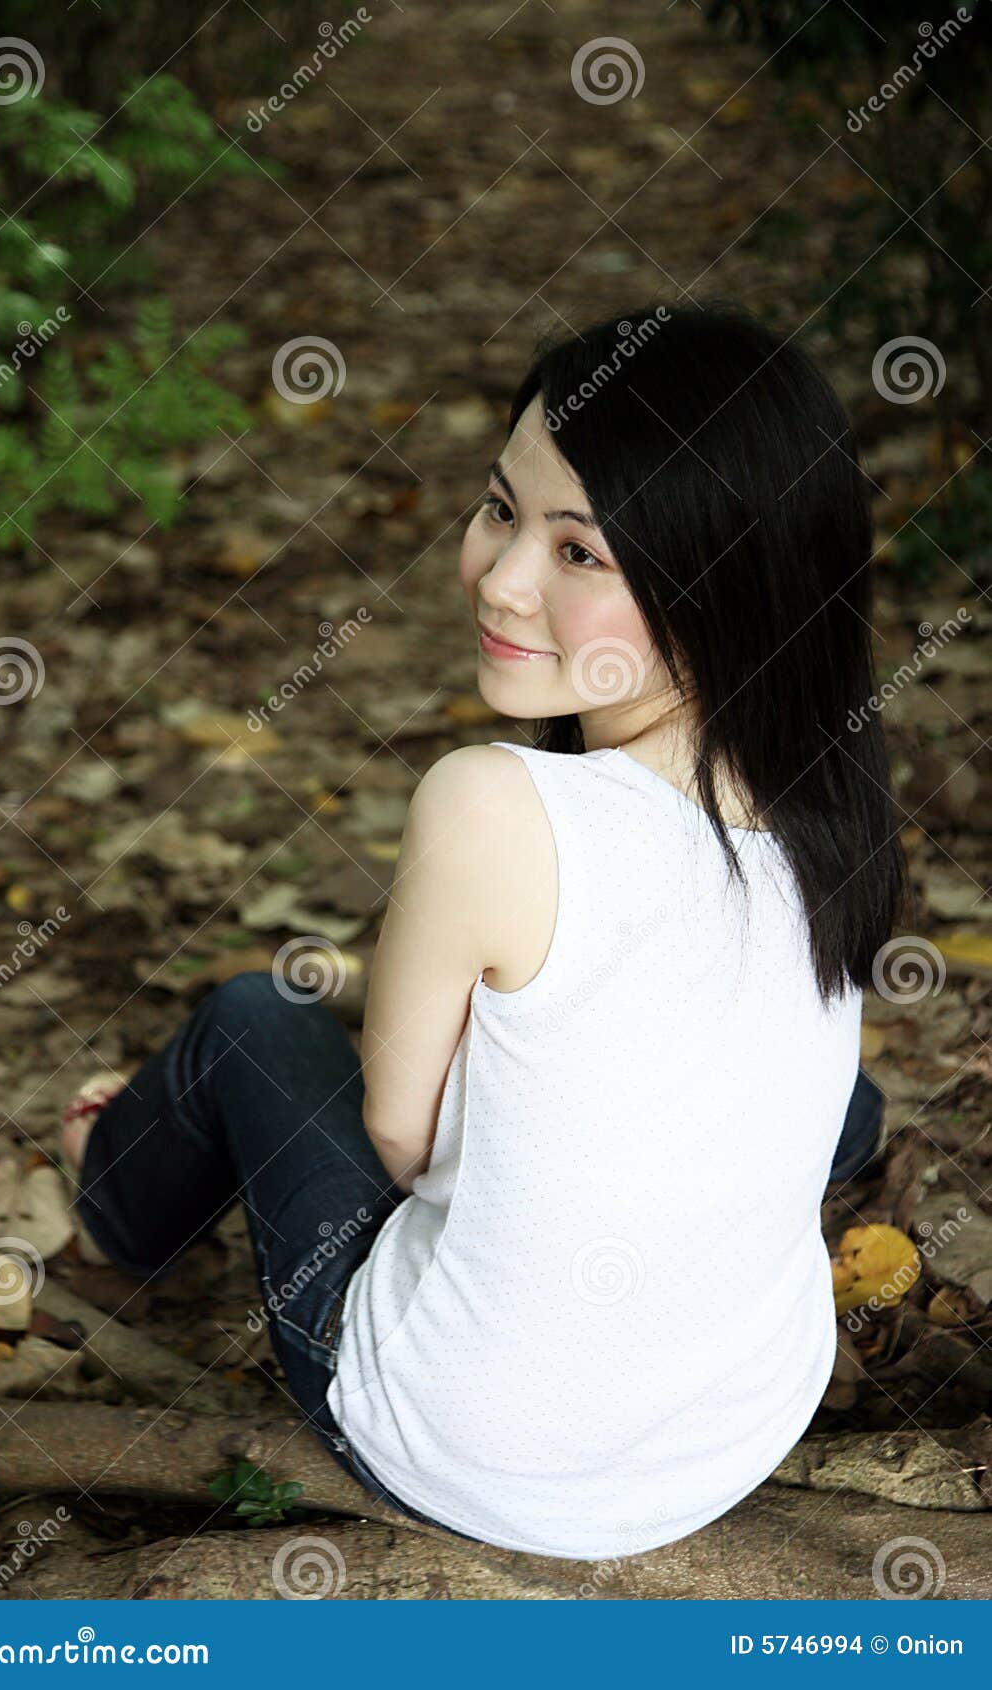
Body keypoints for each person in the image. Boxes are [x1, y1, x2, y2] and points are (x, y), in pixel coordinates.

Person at [63, 301, 908, 1562]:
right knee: (842, 1099)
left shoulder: (487, 800)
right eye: (501, 510)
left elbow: (399, 1141)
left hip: (462, 1441)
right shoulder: (828, 807)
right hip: (733, 1429)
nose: (499, 578)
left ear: (715, 587)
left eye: (581, 554)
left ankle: (114, 1204)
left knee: (253, 1022)